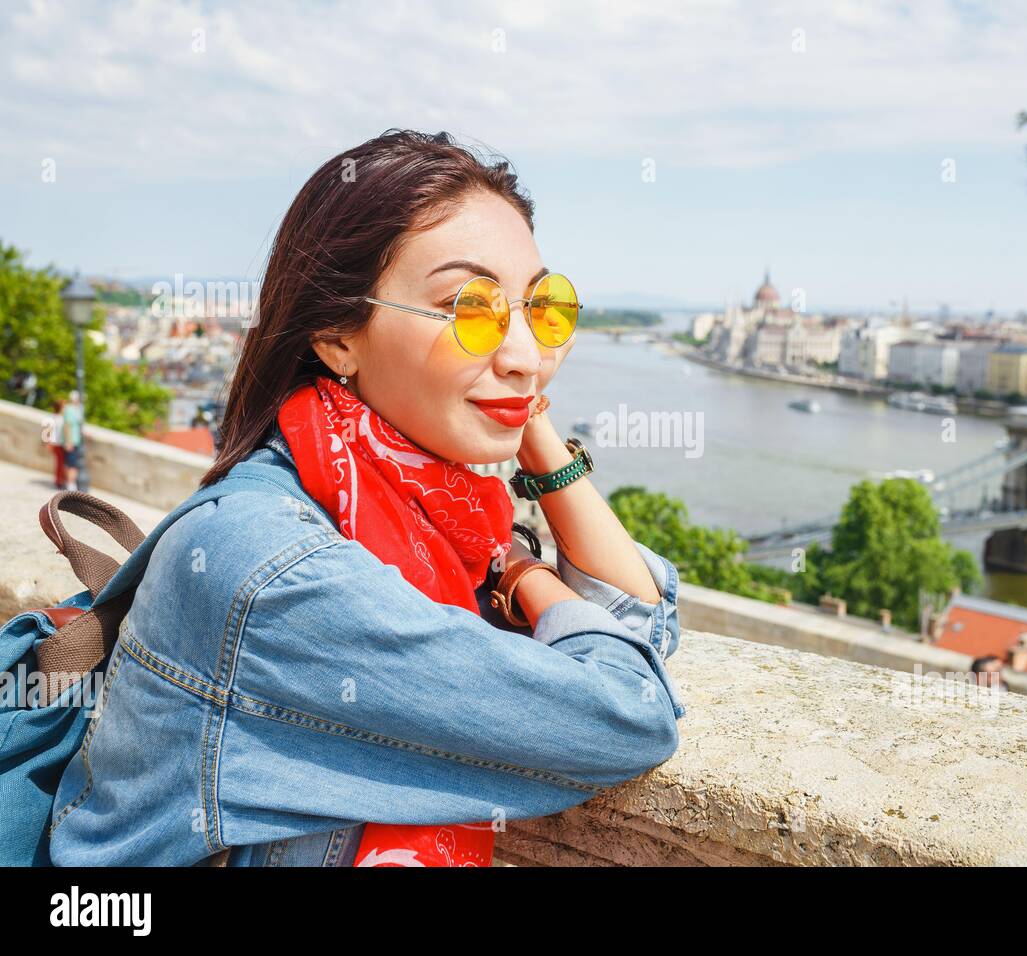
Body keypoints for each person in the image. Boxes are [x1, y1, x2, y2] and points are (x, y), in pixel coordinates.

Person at [48, 130, 685, 867]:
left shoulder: (429, 506)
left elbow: (640, 617)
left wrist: (527, 409)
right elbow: (628, 712)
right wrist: (526, 575)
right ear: (336, 335)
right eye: (468, 307)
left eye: (541, 309)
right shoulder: (279, 566)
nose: (524, 351)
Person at [61, 391, 84, 491]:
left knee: (72, 463)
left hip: (76, 440)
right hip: (71, 441)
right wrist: (68, 441)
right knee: (72, 464)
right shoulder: (69, 409)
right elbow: (67, 426)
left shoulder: (78, 409)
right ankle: (70, 484)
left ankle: (69, 483)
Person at [44, 398, 67, 489]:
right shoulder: (58, 418)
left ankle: (60, 480)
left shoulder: (52, 417)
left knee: (61, 463)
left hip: (59, 443)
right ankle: (59, 480)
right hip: (57, 444)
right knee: (60, 463)